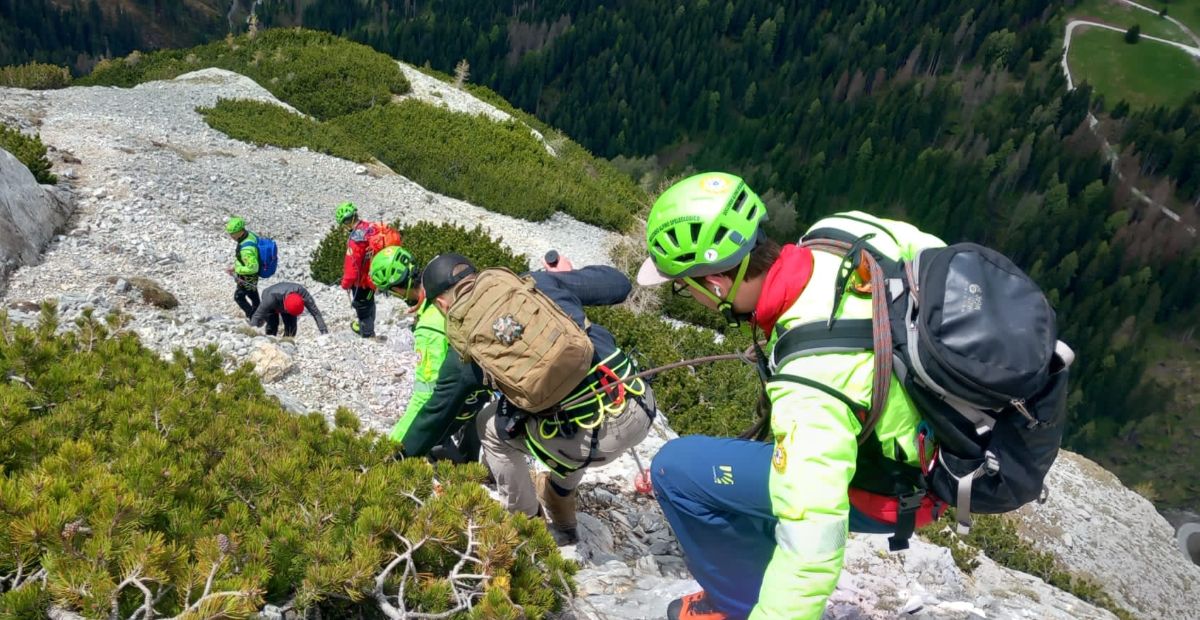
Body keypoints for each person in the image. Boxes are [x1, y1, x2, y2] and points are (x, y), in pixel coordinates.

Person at [636, 172, 947, 620]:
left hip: (892, 491)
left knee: (676, 469)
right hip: (933, 442)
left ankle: (734, 606)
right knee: (765, 471)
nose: (688, 295)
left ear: (717, 284)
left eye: (685, 284)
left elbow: (813, 548)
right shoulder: (843, 232)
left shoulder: (809, 387)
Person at [421, 252, 655, 544]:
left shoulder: (465, 348)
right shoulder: (533, 284)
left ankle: (527, 524)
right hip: (640, 405)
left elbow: (433, 415)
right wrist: (566, 278)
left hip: (583, 445)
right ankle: (559, 497)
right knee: (562, 409)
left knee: (490, 425)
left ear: (442, 304)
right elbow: (619, 285)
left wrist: (397, 457)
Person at [369, 248, 492, 463]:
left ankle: (462, 477)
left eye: (391, 291)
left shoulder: (429, 325)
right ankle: (472, 467)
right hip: (482, 390)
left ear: (399, 288)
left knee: (434, 441)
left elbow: (425, 393)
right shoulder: (442, 287)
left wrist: (393, 445)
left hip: (459, 402)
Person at [336, 202, 378, 338]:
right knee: (370, 302)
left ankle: (367, 333)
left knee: (361, 306)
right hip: (374, 278)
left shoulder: (355, 240)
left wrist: (345, 284)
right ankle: (369, 326)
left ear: (347, 221)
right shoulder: (369, 228)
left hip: (362, 281)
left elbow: (351, 270)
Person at [249, 282, 328, 337]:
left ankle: (286, 346)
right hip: (272, 300)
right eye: (287, 311)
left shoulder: (304, 295)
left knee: (291, 329)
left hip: (288, 302)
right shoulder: (270, 298)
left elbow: (316, 313)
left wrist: (324, 332)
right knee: (272, 326)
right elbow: (257, 316)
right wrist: (251, 334)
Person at [225, 217, 260, 320]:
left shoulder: (246, 249)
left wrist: (237, 269)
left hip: (247, 277)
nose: (231, 236)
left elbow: (253, 267)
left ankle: (253, 317)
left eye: (233, 233)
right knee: (253, 294)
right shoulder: (249, 235)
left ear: (240, 232)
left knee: (239, 297)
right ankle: (259, 314)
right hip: (251, 277)